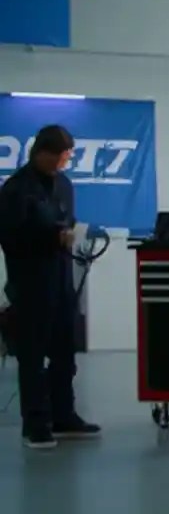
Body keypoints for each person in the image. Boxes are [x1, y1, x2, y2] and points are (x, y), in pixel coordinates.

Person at [0, 125, 100, 449]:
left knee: (63, 352)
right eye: (59, 156)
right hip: (30, 283)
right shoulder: (16, 190)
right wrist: (49, 237)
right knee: (32, 356)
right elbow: (11, 237)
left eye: (67, 157)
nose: (63, 162)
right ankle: (35, 423)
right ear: (42, 153)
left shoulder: (65, 186)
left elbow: (67, 222)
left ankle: (63, 414)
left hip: (61, 278)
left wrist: (73, 235)